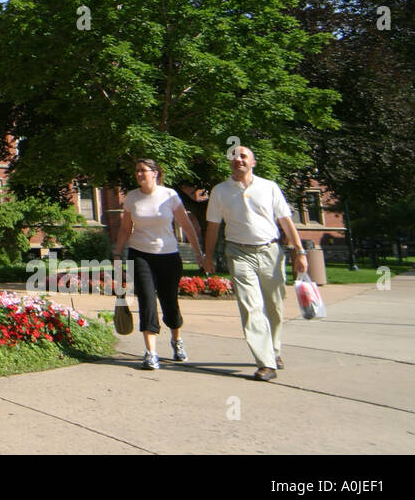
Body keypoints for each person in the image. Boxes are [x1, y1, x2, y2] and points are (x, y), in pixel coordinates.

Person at [202, 145, 308, 381]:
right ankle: (265, 362)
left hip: (270, 251)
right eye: (234, 156)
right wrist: (207, 256)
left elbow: (286, 221)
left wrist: (299, 251)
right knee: (250, 307)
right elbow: (213, 226)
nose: (238, 159)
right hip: (238, 252)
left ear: (253, 162)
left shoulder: (269, 187)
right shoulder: (220, 191)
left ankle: (274, 349)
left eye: (243, 156)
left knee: (274, 306)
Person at [113, 159, 206, 370]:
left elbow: (186, 224)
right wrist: (117, 251)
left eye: (142, 171)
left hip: (168, 255)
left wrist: (198, 252)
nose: (138, 174)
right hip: (140, 254)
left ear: (155, 173)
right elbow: (126, 229)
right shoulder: (132, 198)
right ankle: (151, 352)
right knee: (146, 299)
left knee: (169, 301)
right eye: (136, 171)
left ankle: (176, 339)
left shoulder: (169, 195)